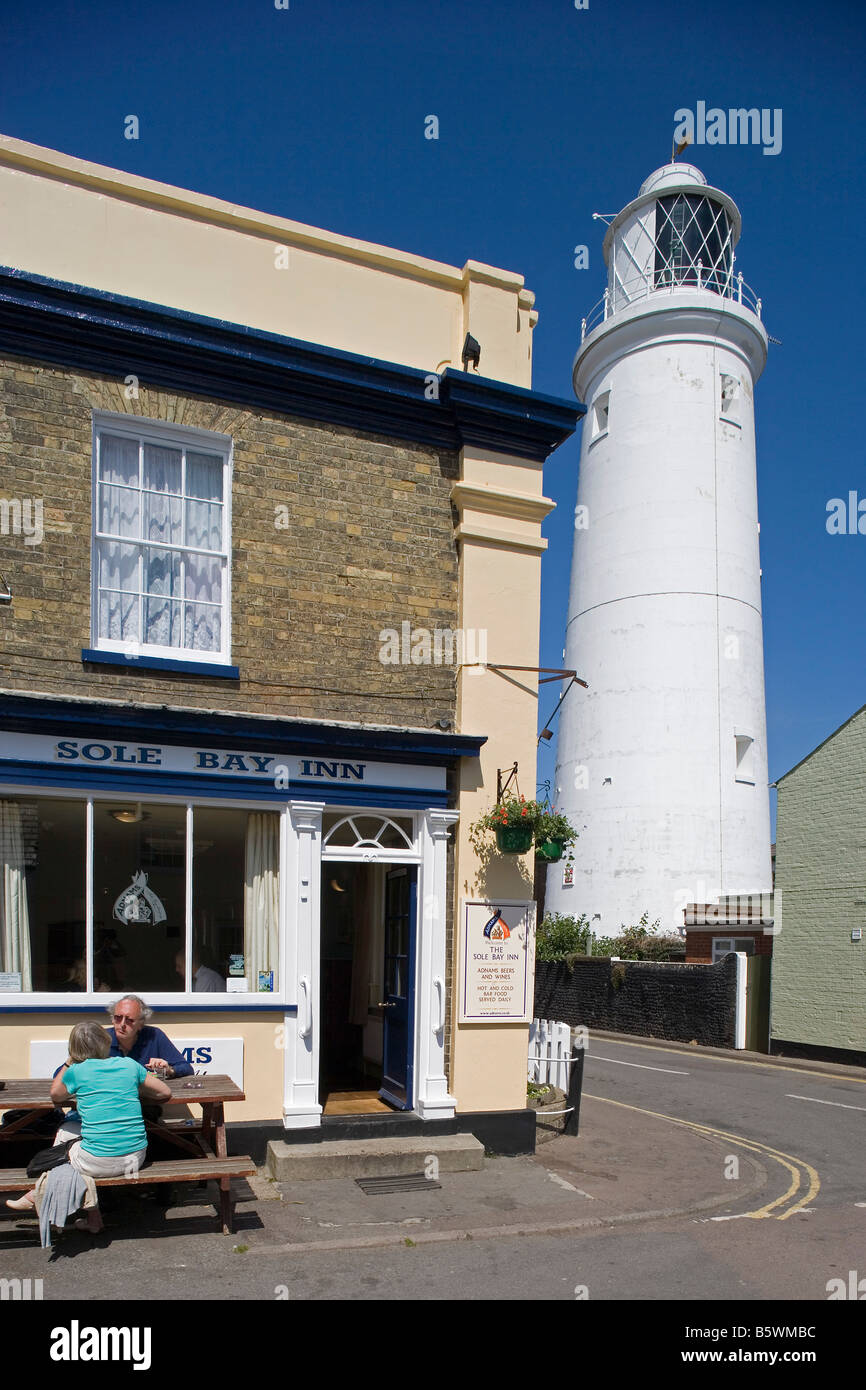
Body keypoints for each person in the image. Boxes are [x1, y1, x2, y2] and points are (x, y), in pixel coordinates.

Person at [7, 1020, 170, 1231]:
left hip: (98, 1161)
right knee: (73, 1148)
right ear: (105, 1041)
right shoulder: (129, 1065)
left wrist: (68, 1062)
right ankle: (93, 1219)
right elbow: (164, 1092)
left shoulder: (77, 1071)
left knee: (64, 1142)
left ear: (74, 1048)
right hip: (135, 1158)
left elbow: (56, 1095)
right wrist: (133, 1089)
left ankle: (40, 1197)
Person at [106, 995, 195, 1077]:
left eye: (129, 1020)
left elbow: (187, 1068)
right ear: (112, 1019)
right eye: (118, 1018)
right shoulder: (101, 1039)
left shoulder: (154, 1036)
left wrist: (169, 1070)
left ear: (141, 1024)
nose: (122, 1024)